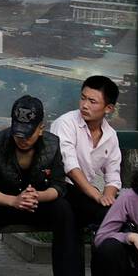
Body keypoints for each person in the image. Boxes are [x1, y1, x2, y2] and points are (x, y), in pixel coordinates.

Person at [0, 95, 82, 276]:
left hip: (37, 204)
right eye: (18, 134)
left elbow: (59, 185)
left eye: (28, 134)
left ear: (40, 128)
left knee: (63, 208)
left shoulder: (52, 145)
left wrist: (38, 196)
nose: (23, 139)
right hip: (5, 204)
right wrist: (13, 200)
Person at [52, 75, 123, 235]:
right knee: (99, 214)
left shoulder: (110, 136)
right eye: (83, 98)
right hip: (60, 189)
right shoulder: (65, 123)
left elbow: (113, 175)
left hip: (85, 194)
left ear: (108, 108)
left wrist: (108, 199)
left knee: (113, 214)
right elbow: (70, 167)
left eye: (92, 101)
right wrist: (97, 196)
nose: (84, 105)